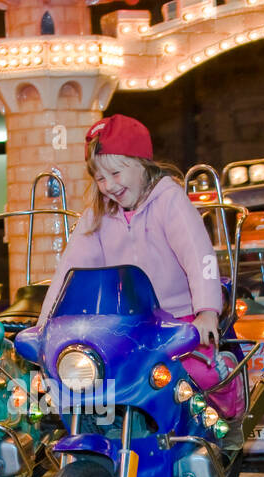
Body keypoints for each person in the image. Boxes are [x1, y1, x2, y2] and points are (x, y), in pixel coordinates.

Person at [38, 114, 243, 423]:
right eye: (100, 179)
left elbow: (199, 255)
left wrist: (206, 312)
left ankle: (229, 404)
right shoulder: (97, 214)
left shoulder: (169, 201)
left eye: (116, 173)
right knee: (94, 379)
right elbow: (69, 271)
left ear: (141, 162)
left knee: (198, 371)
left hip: (179, 319)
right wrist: (44, 327)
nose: (108, 186)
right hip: (127, 325)